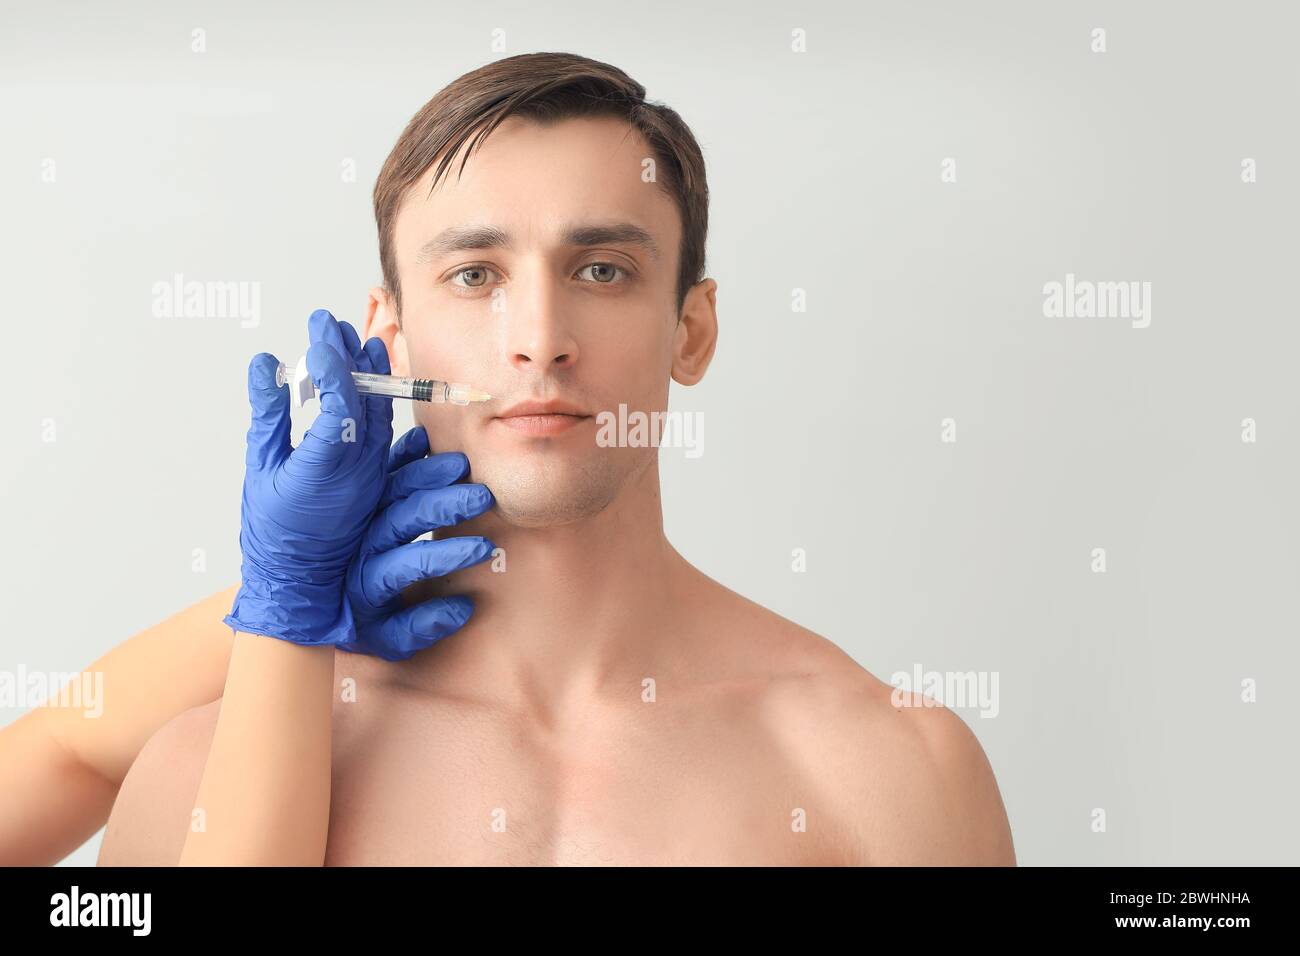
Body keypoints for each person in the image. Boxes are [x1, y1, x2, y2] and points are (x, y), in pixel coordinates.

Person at [67, 51, 1015, 865]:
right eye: (475, 276)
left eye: (601, 270)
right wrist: (283, 601)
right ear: (386, 345)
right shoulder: (200, 778)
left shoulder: (887, 771)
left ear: (692, 330)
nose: (540, 340)